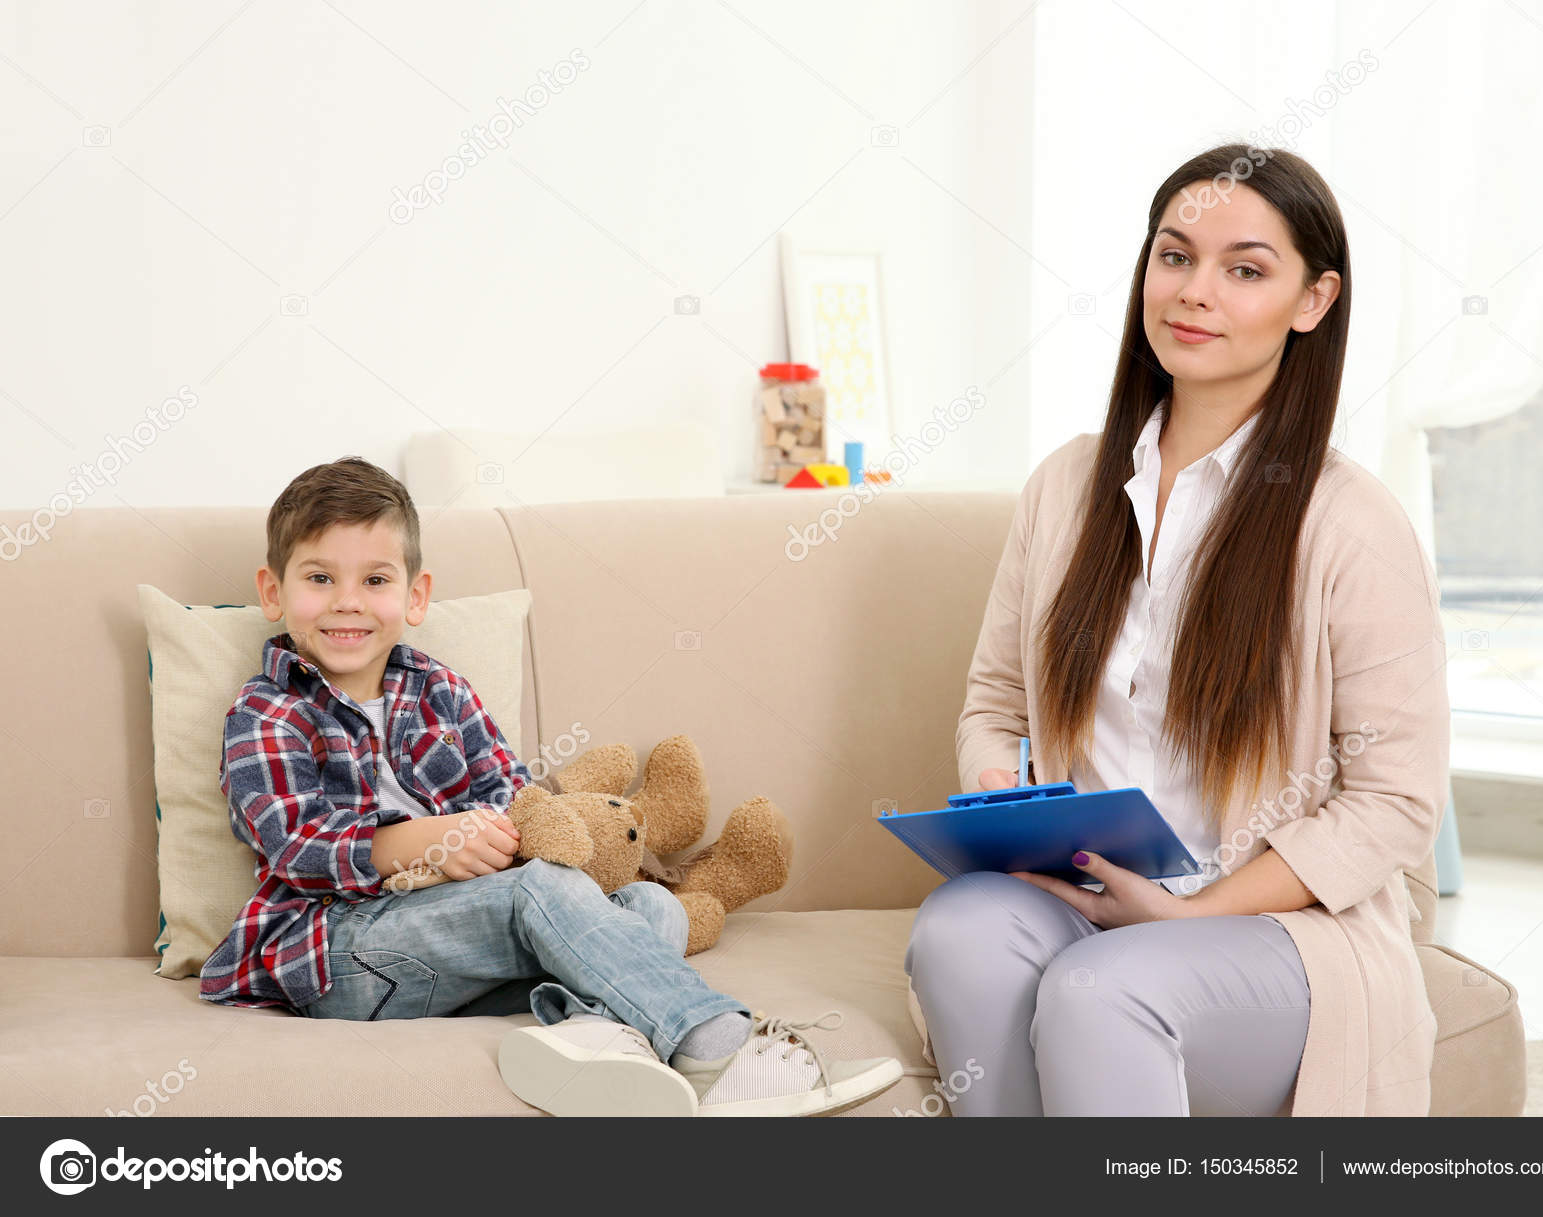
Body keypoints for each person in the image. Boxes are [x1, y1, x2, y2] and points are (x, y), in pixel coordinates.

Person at [905, 144, 1450, 1117]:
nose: (1195, 292)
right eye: (1174, 256)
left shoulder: (1348, 521)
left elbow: (1396, 801)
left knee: (1100, 988)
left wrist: (1189, 911)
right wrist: (1002, 789)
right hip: (1084, 886)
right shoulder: (1067, 486)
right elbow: (994, 700)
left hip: (1279, 932)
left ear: (1313, 300)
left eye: (1244, 268)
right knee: (958, 928)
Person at [199, 455, 901, 1117]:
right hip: (335, 955)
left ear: (416, 596)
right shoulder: (267, 711)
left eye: (375, 580)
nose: (347, 602)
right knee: (545, 891)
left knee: (646, 903)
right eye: (320, 577)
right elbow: (293, 842)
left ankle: (594, 1041)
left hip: (458, 948)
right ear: (273, 590)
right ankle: (719, 1051)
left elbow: (514, 795)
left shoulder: (440, 690)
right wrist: (422, 843)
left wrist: (513, 832)